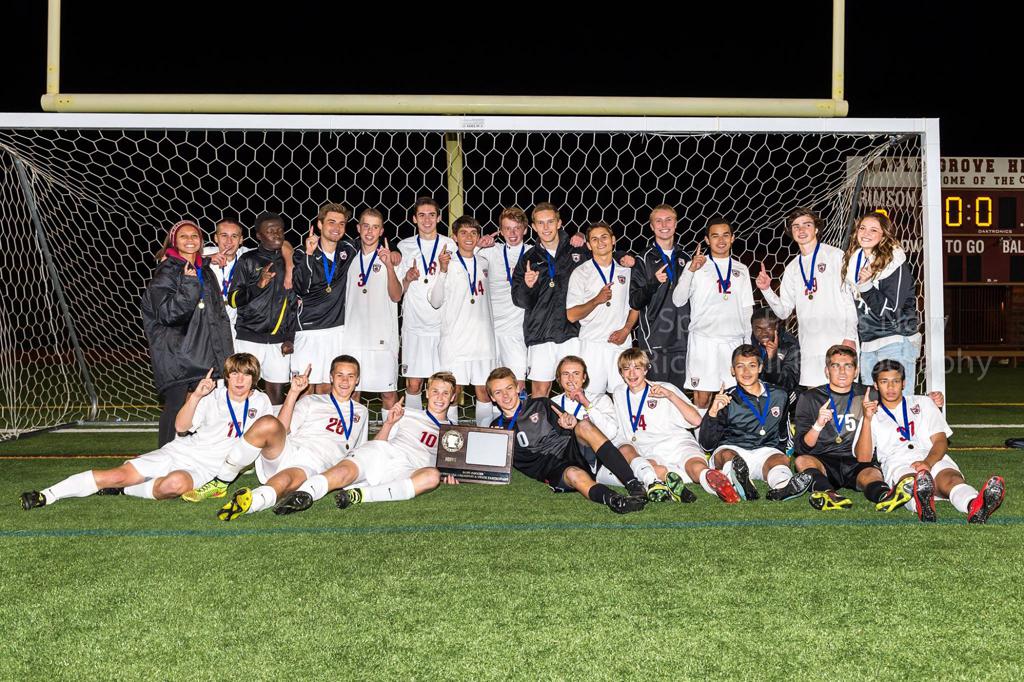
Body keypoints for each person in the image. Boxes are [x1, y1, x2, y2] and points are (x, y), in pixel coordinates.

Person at [21, 353, 271, 509]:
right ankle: (47, 495)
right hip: (181, 452)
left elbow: (271, 436)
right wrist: (195, 395)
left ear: (254, 378)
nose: (239, 380)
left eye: (245, 375)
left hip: (207, 469)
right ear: (226, 376)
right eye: (234, 374)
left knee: (172, 486)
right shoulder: (211, 394)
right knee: (119, 474)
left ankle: (124, 490)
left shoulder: (261, 403)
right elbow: (181, 427)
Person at [272, 371, 461, 513]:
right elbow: (378, 443)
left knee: (432, 477)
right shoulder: (406, 413)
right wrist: (389, 423)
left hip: (407, 470)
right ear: (426, 393)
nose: (440, 397)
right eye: (435, 391)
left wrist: (449, 476)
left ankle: (360, 495)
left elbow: (451, 464)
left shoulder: (456, 433)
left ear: (453, 398)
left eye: (446, 393)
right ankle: (305, 494)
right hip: (384, 452)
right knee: (346, 470)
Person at [214, 355, 369, 519]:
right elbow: (282, 428)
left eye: (350, 376)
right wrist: (294, 392)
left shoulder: (361, 412)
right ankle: (222, 479)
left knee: (287, 479)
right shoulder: (311, 400)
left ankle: (251, 502)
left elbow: (360, 451)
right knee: (268, 422)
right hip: (287, 449)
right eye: (340, 375)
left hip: (314, 463)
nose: (345, 381)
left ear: (357, 380)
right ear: (331, 377)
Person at [857, 359, 1005, 523]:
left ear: (904, 383)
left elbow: (940, 441)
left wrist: (928, 462)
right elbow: (863, 458)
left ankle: (975, 505)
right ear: (876, 385)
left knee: (952, 479)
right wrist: (867, 420)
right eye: (884, 382)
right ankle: (922, 503)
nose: (891, 387)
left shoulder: (923, 403)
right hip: (897, 461)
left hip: (931, 456)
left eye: (896, 381)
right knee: (909, 482)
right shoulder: (871, 413)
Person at [486, 367, 648, 513]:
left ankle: (634, 485)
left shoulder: (541, 404)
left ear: (517, 388)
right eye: (498, 392)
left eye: (508, 388)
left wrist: (571, 423)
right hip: (550, 469)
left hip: (571, 449)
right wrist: (462, 474)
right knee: (573, 474)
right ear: (492, 397)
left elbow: (570, 423)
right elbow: (488, 466)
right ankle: (617, 501)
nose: (505, 395)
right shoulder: (496, 429)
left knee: (584, 425)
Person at [142, 219, 234, 447]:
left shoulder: (203, 269)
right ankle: (164, 457)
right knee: (175, 406)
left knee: (201, 408)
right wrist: (190, 285)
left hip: (202, 351)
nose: (190, 240)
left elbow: (216, 316)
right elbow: (169, 314)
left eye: (195, 236)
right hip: (178, 353)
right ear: (174, 241)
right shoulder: (168, 270)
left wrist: (222, 353)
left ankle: (193, 456)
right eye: (184, 236)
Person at [792, 345, 914, 511]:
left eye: (848, 366)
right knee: (802, 461)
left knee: (872, 473)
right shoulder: (809, 398)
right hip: (823, 459)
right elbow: (801, 447)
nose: (842, 372)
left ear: (856, 371)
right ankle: (828, 495)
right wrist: (818, 425)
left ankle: (886, 496)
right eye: (836, 366)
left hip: (857, 458)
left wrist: (929, 400)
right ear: (827, 371)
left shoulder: (870, 394)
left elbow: (900, 404)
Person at [612, 349, 737, 503]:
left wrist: (670, 395)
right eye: (626, 369)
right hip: (648, 449)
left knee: (695, 467)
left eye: (637, 368)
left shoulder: (664, 387)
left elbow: (697, 420)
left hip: (677, 442)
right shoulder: (619, 393)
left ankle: (714, 480)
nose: (632, 373)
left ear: (645, 369)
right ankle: (676, 486)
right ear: (621, 373)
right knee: (648, 468)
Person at [755, 207, 858, 387]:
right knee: (816, 398)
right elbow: (784, 312)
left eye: (807, 225)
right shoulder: (792, 268)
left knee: (843, 397)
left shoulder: (835, 256)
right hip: (810, 345)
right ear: (791, 232)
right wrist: (766, 290)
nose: (801, 230)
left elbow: (849, 302)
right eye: (796, 226)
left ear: (816, 229)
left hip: (839, 340)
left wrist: (849, 337)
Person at [697, 344, 813, 502]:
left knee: (779, 461)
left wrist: (784, 454)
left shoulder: (780, 395)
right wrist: (712, 413)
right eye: (740, 366)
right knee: (727, 455)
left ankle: (782, 487)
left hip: (765, 451)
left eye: (752, 366)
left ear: (760, 368)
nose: (746, 372)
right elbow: (707, 445)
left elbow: (784, 431)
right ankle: (737, 479)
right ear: (732, 370)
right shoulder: (725, 399)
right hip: (733, 448)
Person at [511, 202, 592, 398]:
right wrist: (527, 286)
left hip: (572, 332)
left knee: (577, 389)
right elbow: (519, 300)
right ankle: (541, 429)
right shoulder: (528, 258)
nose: (546, 228)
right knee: (540, 392)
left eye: (550, 222)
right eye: (541, 223)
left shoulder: (578, 252)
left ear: (559, 223)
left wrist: (623, 256)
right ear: (533, 227)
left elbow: (605, 259)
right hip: (540, 332)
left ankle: (577, 428)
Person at [671, 218, 754, 408]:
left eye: (726, 235)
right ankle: (701, 438)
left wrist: (748, 344)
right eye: (715, 236)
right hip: (703, 341)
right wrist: (690, 270)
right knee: (702, 398)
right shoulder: (697, 267)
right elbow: (678, 300)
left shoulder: (741, 269)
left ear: (733, 238)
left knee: (736, 397)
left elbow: (747, 309)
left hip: (733, 341)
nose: (721, 240)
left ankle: (730, 437)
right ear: (707, 240)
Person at [428, 215, 497, 426]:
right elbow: (435, 301)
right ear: (454, 237)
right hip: (455, 341)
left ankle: (484, 441)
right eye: (463, 233)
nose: (469, 237)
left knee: (484, 392)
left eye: (473, 233)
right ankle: (451, 446)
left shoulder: (484, 261)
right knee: (452, 392)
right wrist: (443, 271)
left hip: (483, 340)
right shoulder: (446, 262)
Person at [841, 211, 919, 393]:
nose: (866, 233)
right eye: (862, 228)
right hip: (867, 343)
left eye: (873, 230)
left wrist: (867, 286)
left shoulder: (895, 262)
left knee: (900, 405)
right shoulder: (853, 261)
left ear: (884, 235)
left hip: (895, 340)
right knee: (872, 406)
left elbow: (891, 310)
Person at [226, 212, 296, 405]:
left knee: (276, 393)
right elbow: (233, 299)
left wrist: (289, 337)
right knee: (242, 390)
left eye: (280, 230)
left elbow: (292, 304)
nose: (276, 234)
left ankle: (274, 433)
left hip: (278, 341)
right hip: (249, 338)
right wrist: (259, 285)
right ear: (259, 235)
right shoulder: (248, 260)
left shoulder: (290, 262)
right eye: (270, 230)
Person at [396, 197, 458, 411]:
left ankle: (449, 432)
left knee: (447, 384)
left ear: (439, 217)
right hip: (414, 324)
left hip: (443, 326)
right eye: (421, 215)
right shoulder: (404, 246)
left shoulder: (450, 245)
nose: (427, 219)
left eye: (432, 214)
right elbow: (397, 291)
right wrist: (407, 278)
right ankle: (413, 431)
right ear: (414, 219)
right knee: (414, 383)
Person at [291, 202, 359, 394]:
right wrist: (310, 254)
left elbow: (371, 239)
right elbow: (301, 287)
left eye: (341, 223)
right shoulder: (302, 252)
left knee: (328, 388)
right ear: (319, 225)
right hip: (308, 329)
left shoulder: (349, 249)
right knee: (305, 387)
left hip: (337, 329)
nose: (336, 228)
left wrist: (395, 251)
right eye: (331, 222)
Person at [566, 222, 638, 394]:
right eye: (595, 239)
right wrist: (596, 300)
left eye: (604, 237)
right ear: (589, 245)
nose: (600, 242)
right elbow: (571, 315)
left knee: (625, 396)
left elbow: (636, 305)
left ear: (613, 240)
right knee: (590, 399)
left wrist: (627, 329)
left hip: (620, 344)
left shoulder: (627, 271)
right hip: (592, 345)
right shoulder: (580, 273)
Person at [345, 208, 403, 420]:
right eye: (366, 226)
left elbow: (396, 296)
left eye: (375, 227)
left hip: (382, 337)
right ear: (358, 228)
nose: (370, 231)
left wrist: (389, 266)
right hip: (353, 336)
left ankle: (391, 441)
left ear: (381, 231)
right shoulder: (348, 257)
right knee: (352, 392)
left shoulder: (391, 258)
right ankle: (352, 441)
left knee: (388, 393)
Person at [629, 204, 691, 388]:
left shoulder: (686, 259)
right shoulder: (643, 259)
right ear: (651, 226)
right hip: (655, 340)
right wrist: (653, 283)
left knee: (680, 397)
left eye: (669, 219)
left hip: (683, 338)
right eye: (658, 220)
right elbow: (635, 300)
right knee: (657, 397)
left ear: (676, 223)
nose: (664, 224)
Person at [476, 207, 531, 393]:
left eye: (517, 228)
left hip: (517, 330)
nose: (512, 233)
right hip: (488, 329)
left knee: (518, 384)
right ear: (500, 231)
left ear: (525, 229)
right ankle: (492, 422)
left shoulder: (534, 252)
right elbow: (461, 258)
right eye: (507, 228)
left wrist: (579, 235)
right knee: (488, 384)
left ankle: (518, 422)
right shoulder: (490, 251)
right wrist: (479, 244)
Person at [204, 217, 249, 339]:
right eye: (224, 235)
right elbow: (169, 256)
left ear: (241, 240)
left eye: (234, 236)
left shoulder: (246, 256)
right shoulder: (203, 253)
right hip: (205, 322)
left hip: (233, 324)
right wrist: (206, 259)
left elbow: (282, 246)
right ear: (215, 238)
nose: (229, 241)